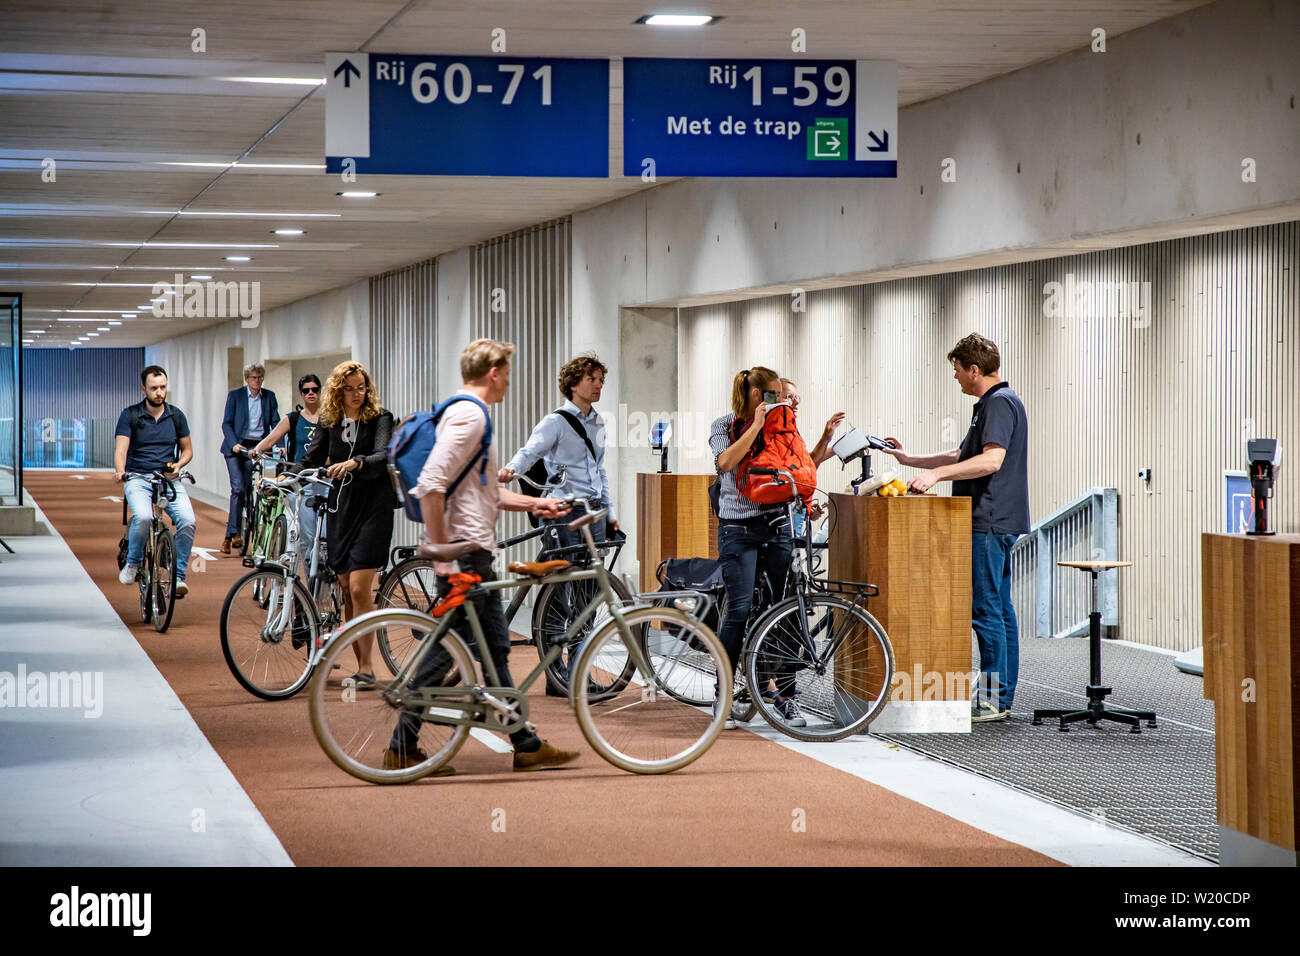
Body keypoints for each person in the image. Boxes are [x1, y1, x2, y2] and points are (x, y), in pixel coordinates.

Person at [386, 338, 579, 774]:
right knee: (444, 652)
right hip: (465, 557)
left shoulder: (471, 414)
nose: (510, 380)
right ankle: (401, 746)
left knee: (493, 651)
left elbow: (486, 492)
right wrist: (444, 559)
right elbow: (431, 484)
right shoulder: (471, 416)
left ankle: (525, 743)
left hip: (474, 552)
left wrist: (535, 504)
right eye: (507, 372)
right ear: (494, 373)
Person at [880, 333, 1030, 722]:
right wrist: (911, 460)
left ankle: (995, 699)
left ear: (975, 370)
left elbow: (991, 461)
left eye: (958, 370)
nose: (956, 377)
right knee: (1000, 609)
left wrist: (937, 476)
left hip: (989, 521)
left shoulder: (998, 404)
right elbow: (963, 455)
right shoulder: (993, 404)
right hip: (995, 521)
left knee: (985, 610)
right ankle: (1002, 694)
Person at [710, 366, 803, 729]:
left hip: (778, 523)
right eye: (774, 395)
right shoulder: (723, 425)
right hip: (738, 528)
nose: (781, 400)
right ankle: (725, 689)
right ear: (756, 397)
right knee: (740, 607)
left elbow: (797, 463)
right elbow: (725, 463)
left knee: (787, 609)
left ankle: (785, 694)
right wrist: (756, 427)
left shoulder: (782, 422)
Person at [300, 361, 395, 687]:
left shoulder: (381, 418)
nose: (357, 393)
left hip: (374, 507)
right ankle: (360, 665)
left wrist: (357, 462)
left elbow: (384, 455)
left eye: (361, 387)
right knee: (345, 589)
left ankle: (368, 668)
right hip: (342, 507)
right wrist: (287, 474)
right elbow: (312, 456)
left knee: (358, 587)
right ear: (338, 391)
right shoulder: (330, 420)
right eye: (350, 388)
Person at [113, 365, 196, 597]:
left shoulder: (176, 415)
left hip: (167, 478)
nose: (159, 392)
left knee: (188, 521)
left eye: (162, 387)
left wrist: (179, 465)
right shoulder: (130, 414)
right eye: (154, 388)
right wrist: (121, 471)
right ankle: (133, 563)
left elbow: (187, 449)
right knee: (144, 516)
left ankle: (177, 576)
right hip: (137, 477)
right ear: (143, 389)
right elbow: (121, 449)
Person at [251, 374, 324, 561]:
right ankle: (311, 576)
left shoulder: (329, 419)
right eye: (306, 390)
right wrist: (256, 450)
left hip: (323, 479)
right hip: (299, 480)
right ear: (301, 393)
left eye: (314, 389)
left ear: (320, 391)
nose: (311, 393)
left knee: (324, 537)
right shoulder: (293, 419)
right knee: (308, 535)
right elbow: (271, 438)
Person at [219, 363, 280, 554]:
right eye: (254, 377)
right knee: (237, 488)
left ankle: (236, 533)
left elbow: (277, 423)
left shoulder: (269, 397)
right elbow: (226, 423)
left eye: (260, 377)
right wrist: (234, 443)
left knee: (250, 489)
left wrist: (280, 446)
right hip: (237, 447)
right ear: (247, 379)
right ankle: (234, 533)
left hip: (258, 446)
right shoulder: (235, 396)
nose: (257, 381)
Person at [780, 377, 842, 538]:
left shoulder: (791, 430)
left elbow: (807, 464)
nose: (796, 403)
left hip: (797, 509)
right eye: (789, 397)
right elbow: (809, 466)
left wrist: (807, 508)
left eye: (796, 398)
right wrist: (827, 437)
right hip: (784, 515)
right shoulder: (775, 434)